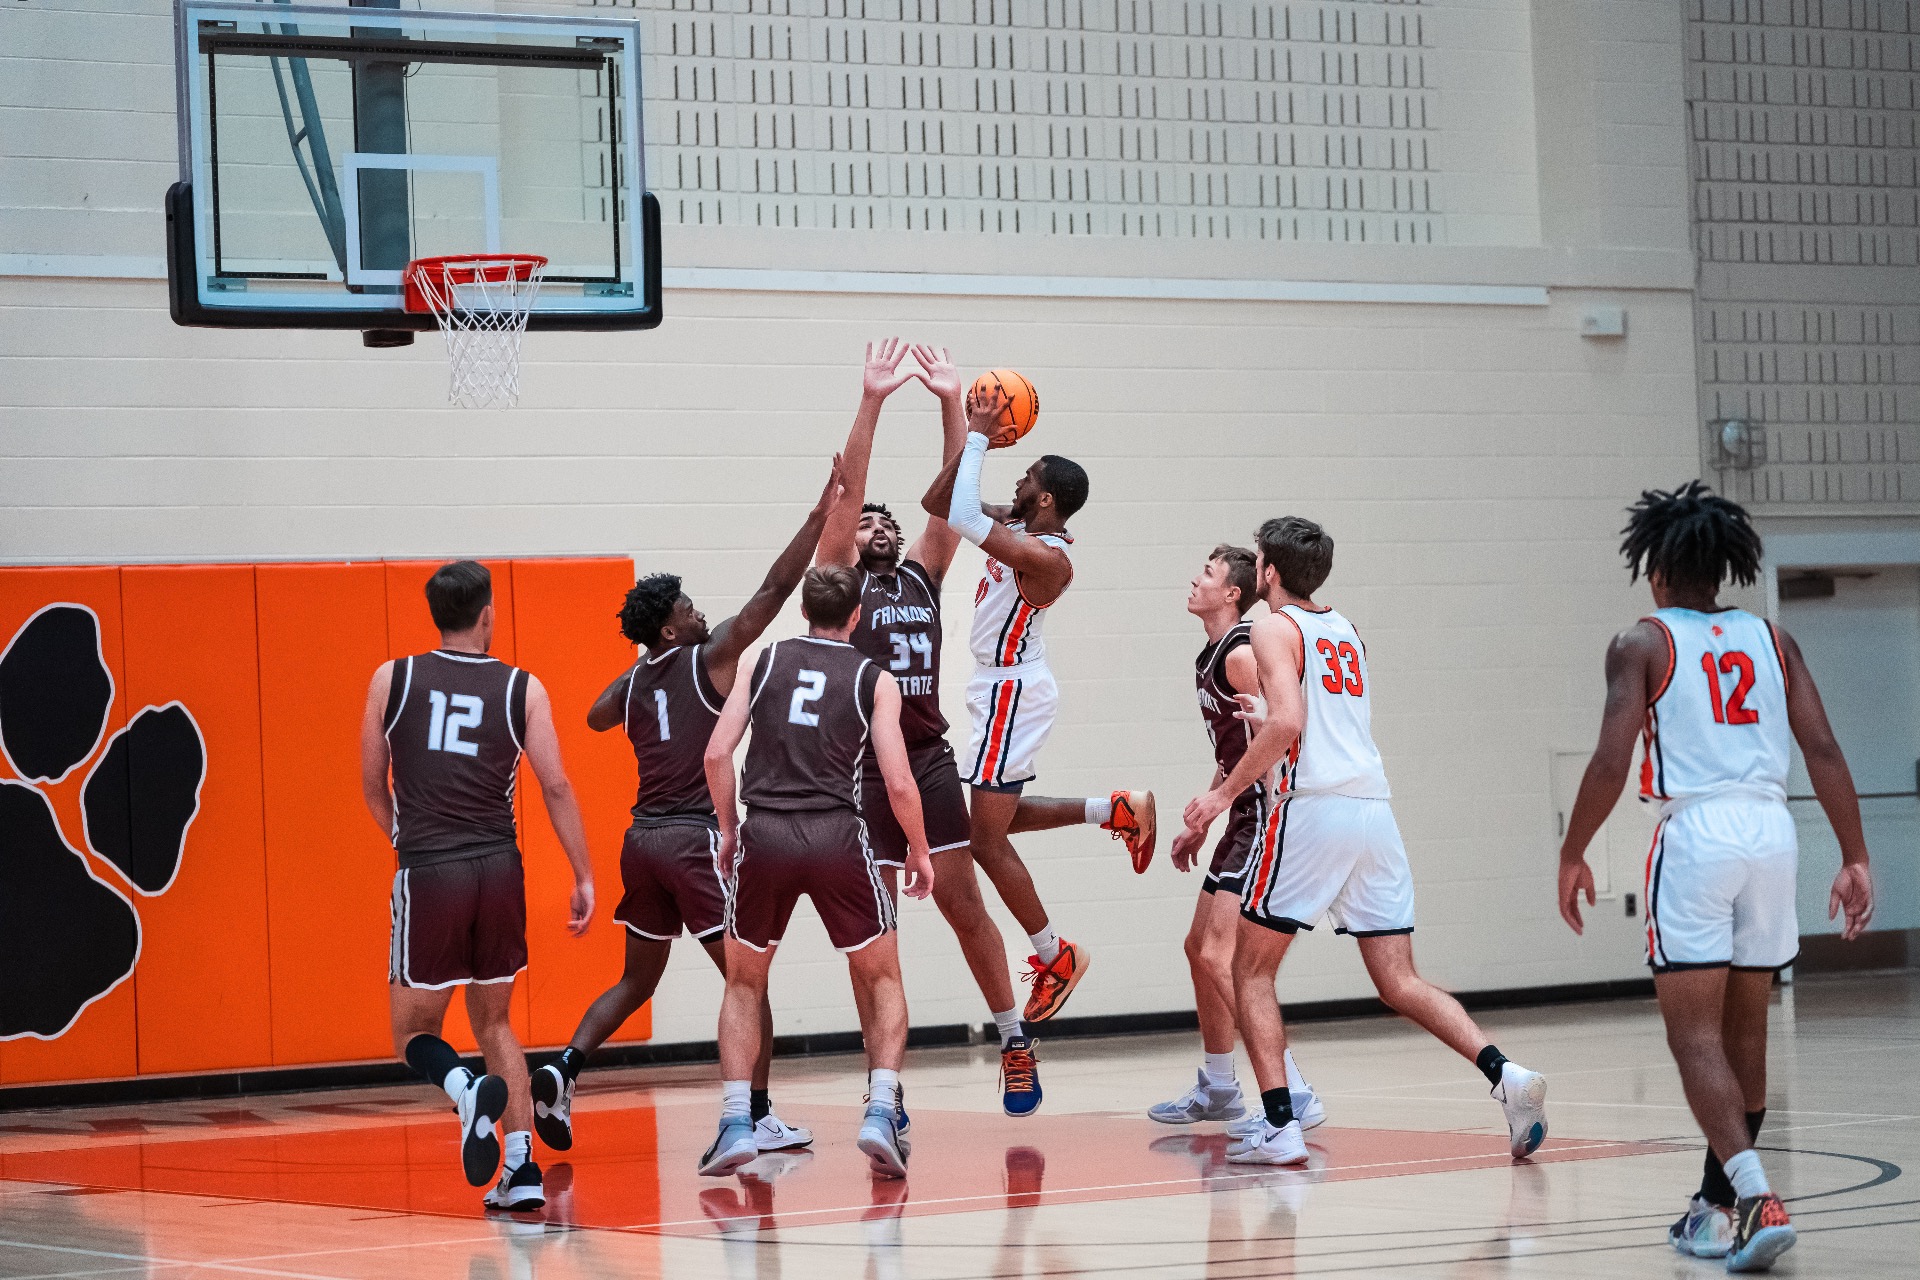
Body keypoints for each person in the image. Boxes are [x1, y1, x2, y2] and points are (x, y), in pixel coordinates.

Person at [821, 341, 1148, 1116]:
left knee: (966, 908)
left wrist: (952, 404)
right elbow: (853, 492)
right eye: (863, 524)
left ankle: (1013, 1041)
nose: (874, 525)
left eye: (884, 523)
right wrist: (872, 400)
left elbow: (948, 507)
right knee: (876, 938)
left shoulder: (921, 576)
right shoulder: (837, 585)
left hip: (928, 758)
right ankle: (883, 1085)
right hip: (860, 772)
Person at [1558, 481, 1874, 1273]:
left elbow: (1610, 760)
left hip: (1697, 834)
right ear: (1722, 566)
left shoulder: (1643, 641)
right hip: (1772, 831)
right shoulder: (1774, 639)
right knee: (1746, 1034)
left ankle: (1758, 1198)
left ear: (1657, 569)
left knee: (1693, 1037)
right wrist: (1855, 855)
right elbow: (1823, 750)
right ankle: (1715, 1207)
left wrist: (1573, 850)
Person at [1184, 517, 1549, 1166]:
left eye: (1258, 558)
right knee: (1398, 979)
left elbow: (1290, 722)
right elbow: (1318, 716)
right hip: (1373, 812)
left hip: (1312, 810)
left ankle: (1281, 1125)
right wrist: (1270, 718)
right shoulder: (1345, 628)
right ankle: (1507, 1075)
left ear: (1268, 572)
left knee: (1249, 970)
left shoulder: (1271, 626)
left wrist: (1220, 796)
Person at [528, 459, 845, 1157]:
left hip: (642, 843)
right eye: (688, 609)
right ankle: (756, 1115)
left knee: (636, 980)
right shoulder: (710, 658)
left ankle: (563, 1068)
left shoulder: (637, 682)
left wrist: (645, 660)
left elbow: (595, 716)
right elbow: (774, 590)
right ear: (673, 631)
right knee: (747, 982)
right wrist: (819, 517)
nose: (700, 612)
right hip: (693, 841)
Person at [923, 384, 1156, 1061]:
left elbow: (962, 513)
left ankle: (1056, 955)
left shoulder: (1047, 557)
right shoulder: (1021, 529)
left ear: (1046, 498)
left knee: (983, 840)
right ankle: (1112, 810)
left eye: (1026, 476)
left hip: (1012, 693)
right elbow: (940, 504)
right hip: (997, 690)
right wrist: (972, 436)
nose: (1016, 480)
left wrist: (978, 436)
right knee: (986, 823)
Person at [359, 560, 595, 1211]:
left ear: (436, 614)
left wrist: (407, 838)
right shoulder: (523, 687)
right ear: (487, 614)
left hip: (430, 869)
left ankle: (464, 1091)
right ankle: (521, 1170)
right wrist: (582, 872)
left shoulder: (392, 678)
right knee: (494, 1021)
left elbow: (372, 783)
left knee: (412, 1033)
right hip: (498, 869)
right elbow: (555, 785)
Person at [700, 565, 936, 1178]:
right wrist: (919, 849)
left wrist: (729, 830)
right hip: (837, 835)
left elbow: (717, 753)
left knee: (743, 983)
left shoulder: (762, 660)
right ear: (856, 615)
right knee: (882, 977)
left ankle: (735, 1124)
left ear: (803, 610)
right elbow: (899, 781)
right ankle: (880, 1112)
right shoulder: (874, 679)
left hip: (766, 832)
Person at [1156, 545, 1324, 1136]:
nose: (1194, 579)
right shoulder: (1212, 654)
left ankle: (1293, 1091)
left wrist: (1237, 803)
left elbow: (1282, 735)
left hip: (1265, 816)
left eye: (1207, 573)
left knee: (1217, 954)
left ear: (1232, 592)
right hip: (1240, 815)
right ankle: (1220, 1085)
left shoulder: (1244, 653)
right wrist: (1205, 816)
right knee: (1197, 947)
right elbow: (1236, 751)